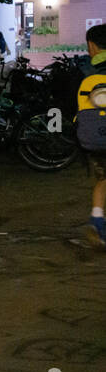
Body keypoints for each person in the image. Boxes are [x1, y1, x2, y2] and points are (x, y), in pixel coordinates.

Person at [79, 23, 106, 246]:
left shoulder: (83, 69)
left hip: (93, 138)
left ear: (92, 46)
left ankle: (96, 220)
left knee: (102, 178)